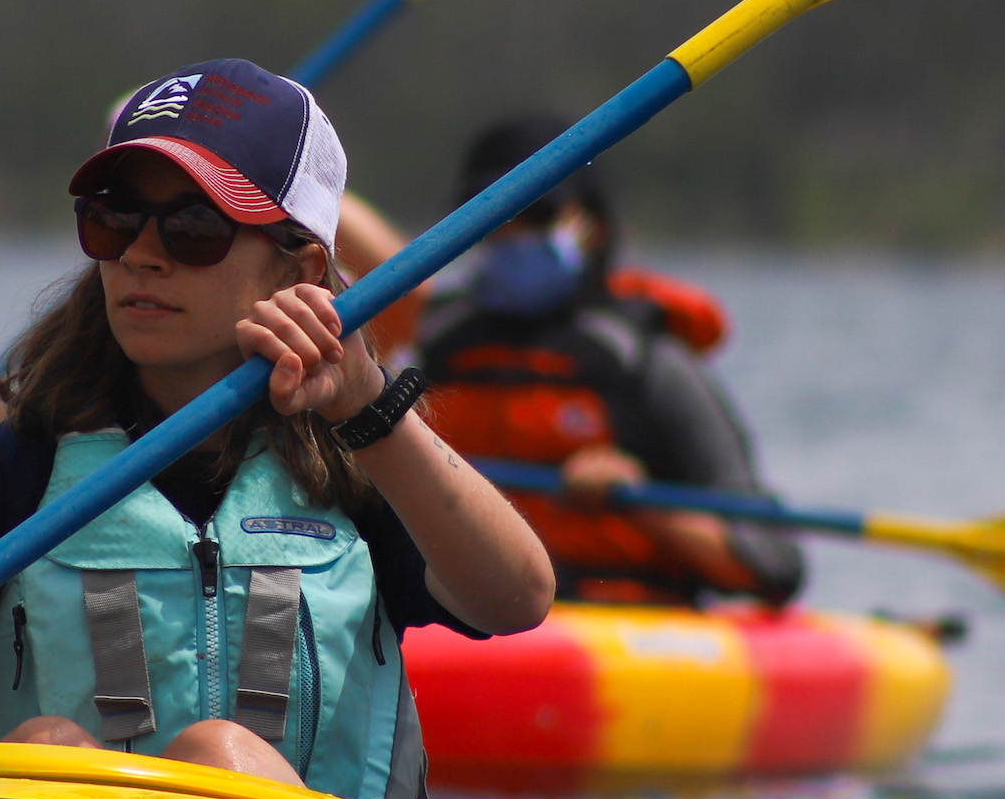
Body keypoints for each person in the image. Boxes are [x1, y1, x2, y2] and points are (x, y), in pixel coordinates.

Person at [0, 60, 555, 799]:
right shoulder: (15, 471)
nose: (141, 256)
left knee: (220, 752)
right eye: (113, 221)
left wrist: (368, 406)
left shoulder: (363, 468)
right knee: (51, 749)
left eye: (193, 228)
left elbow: (518, 599)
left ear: (301, 269)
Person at [343, 115, 803, 608]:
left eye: (537, 215)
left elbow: (773, 562)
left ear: (593, 227)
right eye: (492, 217)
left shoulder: (650, 367)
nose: (513, 234)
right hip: (466, 621)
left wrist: (641, 501)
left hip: (612, 626)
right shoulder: (434, 345)